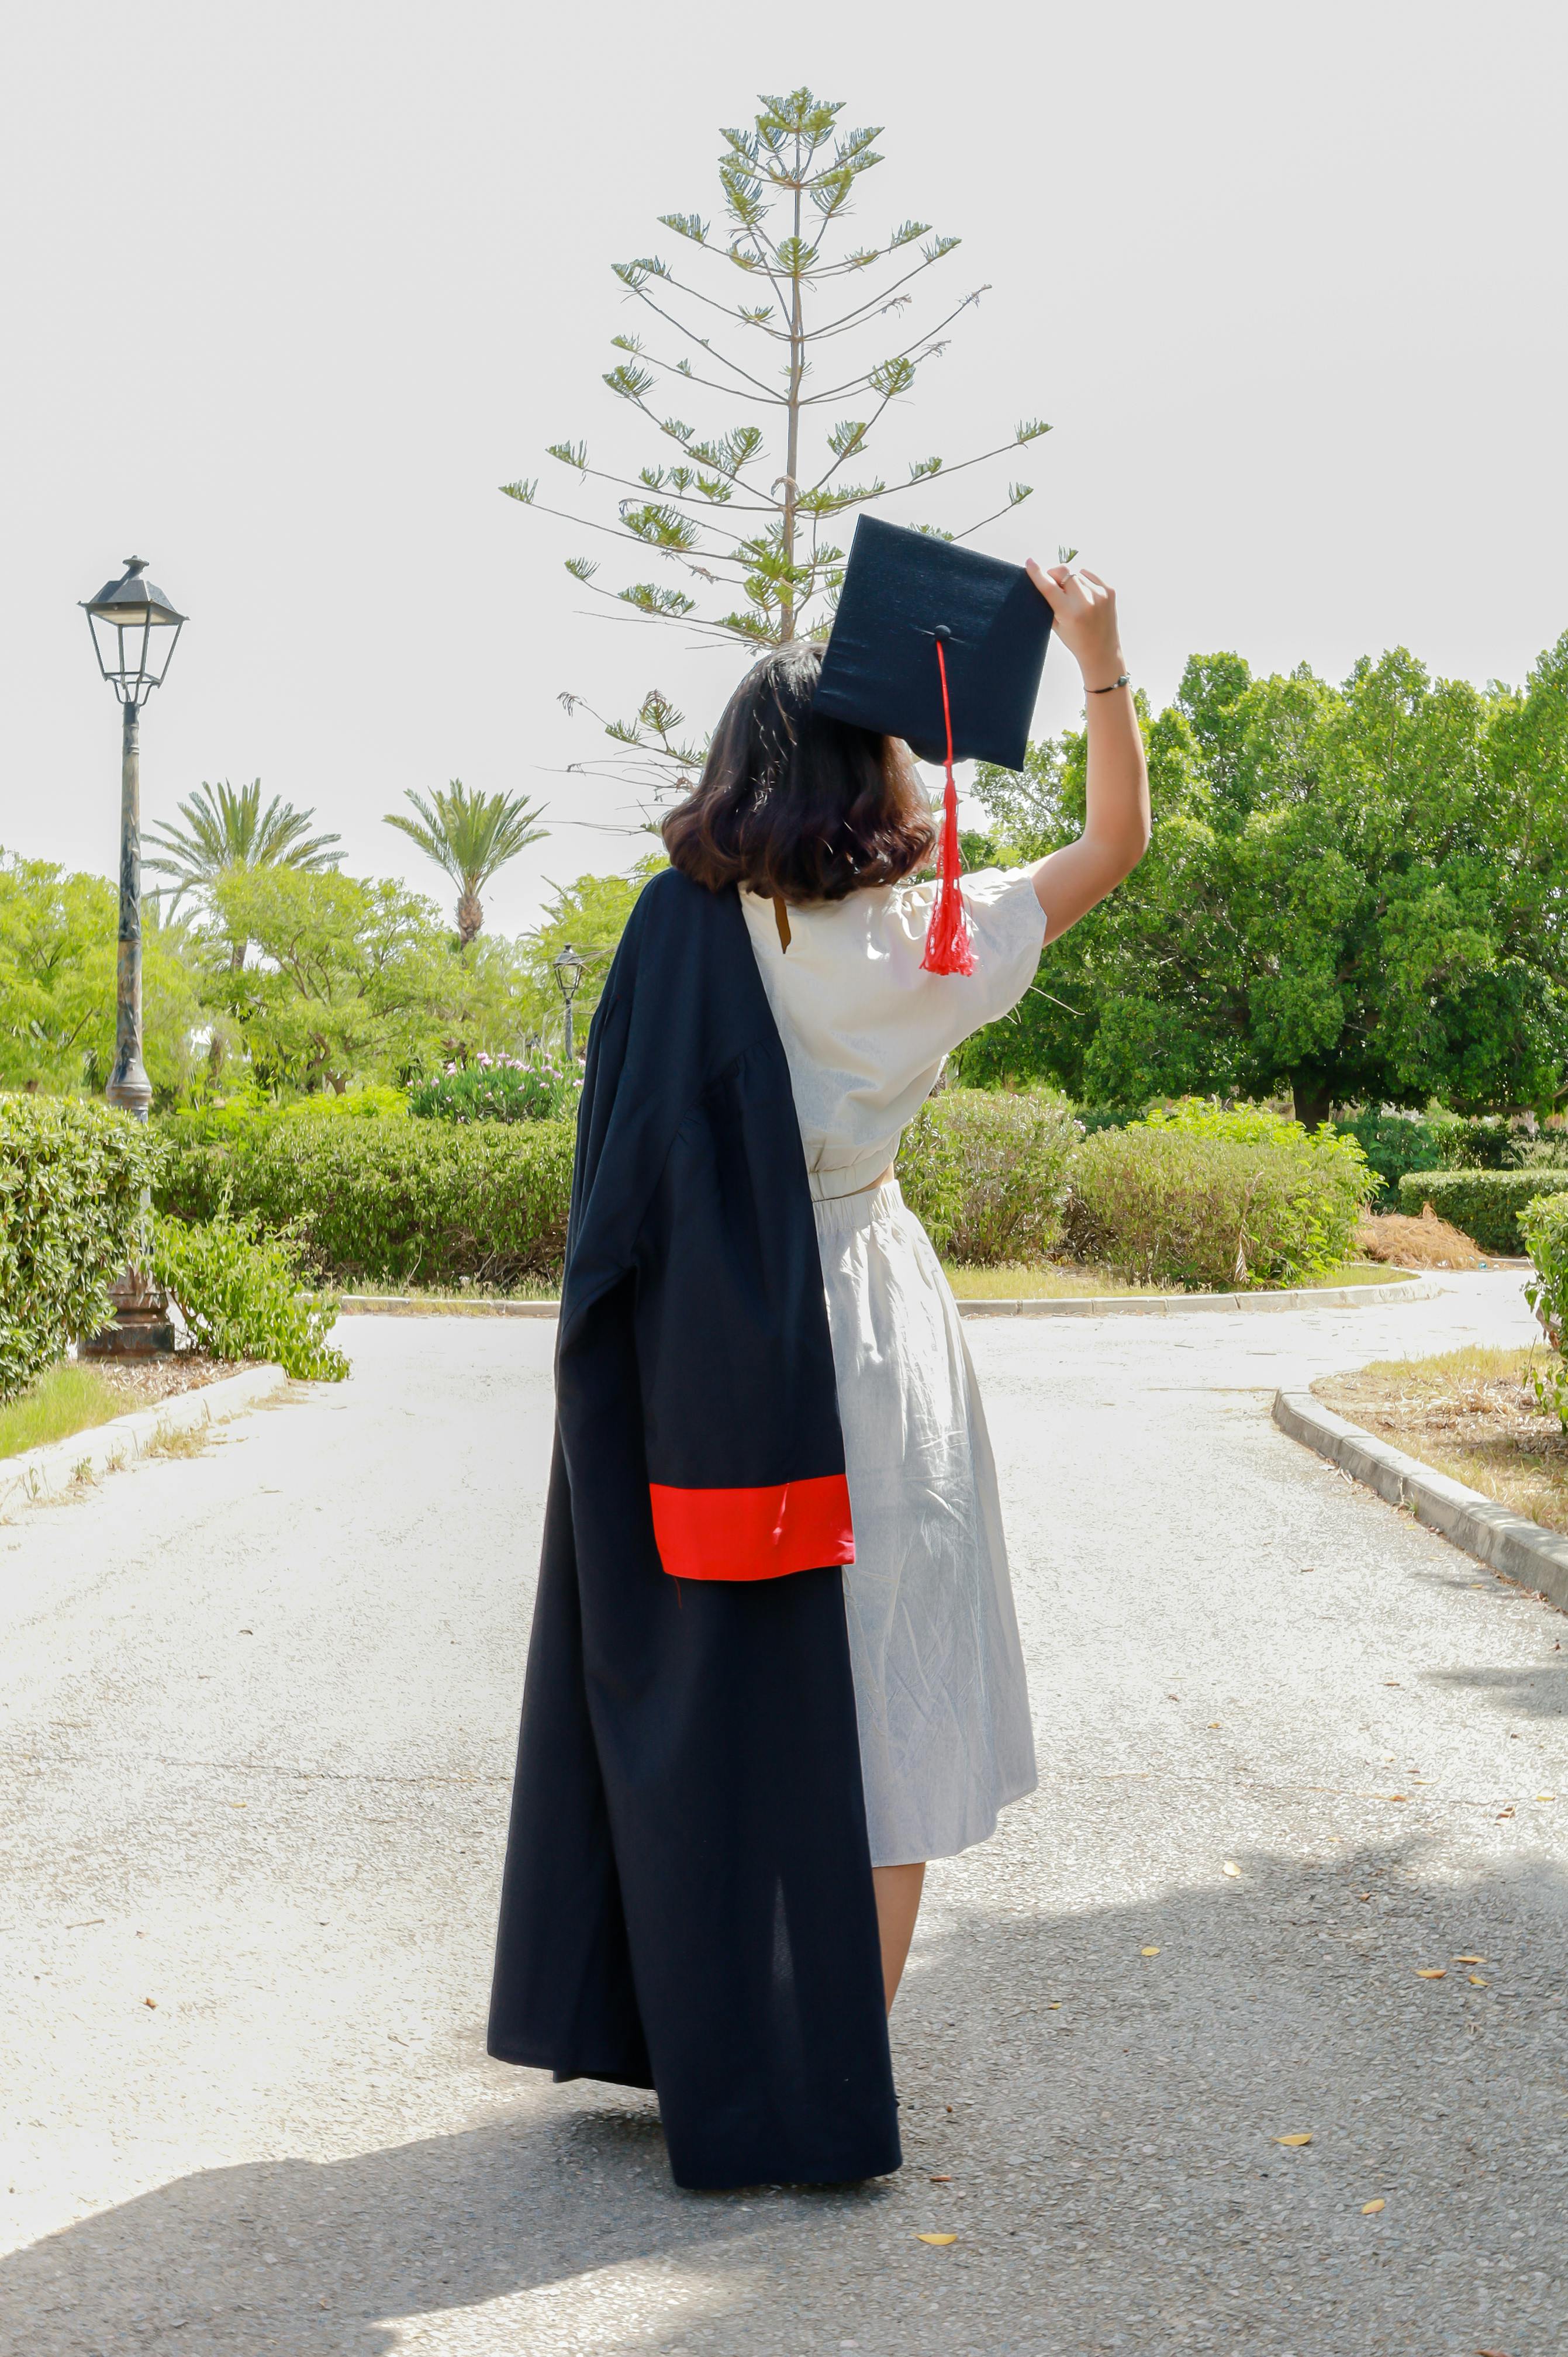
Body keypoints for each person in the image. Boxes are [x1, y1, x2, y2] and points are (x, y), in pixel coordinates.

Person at [487, 561, 1149, 2192]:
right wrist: (1100, 670)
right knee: (889, 1708)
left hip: (712, 1359)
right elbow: (1111, 848)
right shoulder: (934, 943)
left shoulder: (688, 929)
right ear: (880, 778)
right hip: (870, 1333)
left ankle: (702, 2039)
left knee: (728, 1690)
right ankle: (817, 2073)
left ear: (736, 773)